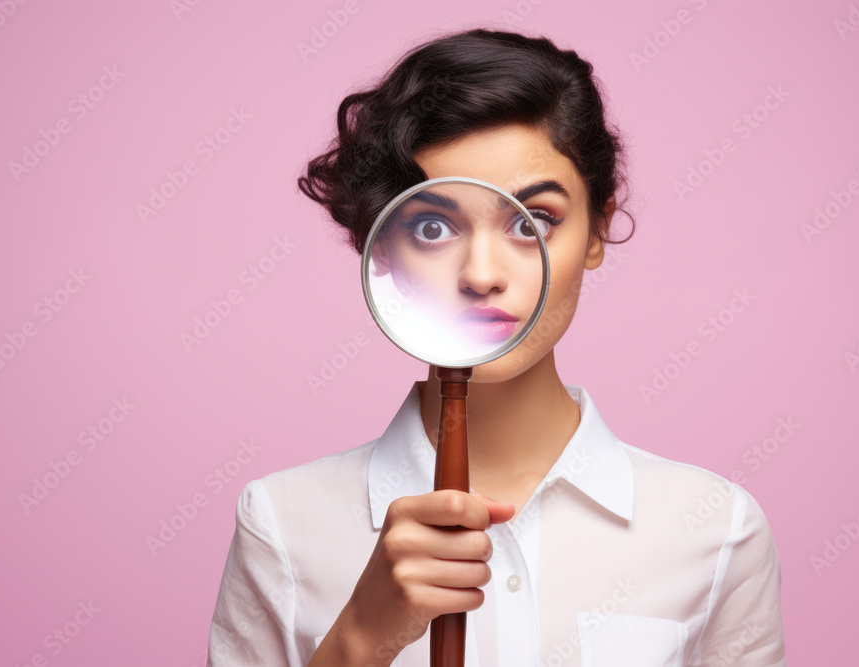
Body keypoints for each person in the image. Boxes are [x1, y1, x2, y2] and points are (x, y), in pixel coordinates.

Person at [206, 28, 786, 667]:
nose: (481, 274)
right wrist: (362, 637)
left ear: (597, 230)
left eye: (533, 221)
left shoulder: (716, 530)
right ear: (384, 251)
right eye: (433, 226)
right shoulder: (282, 523)